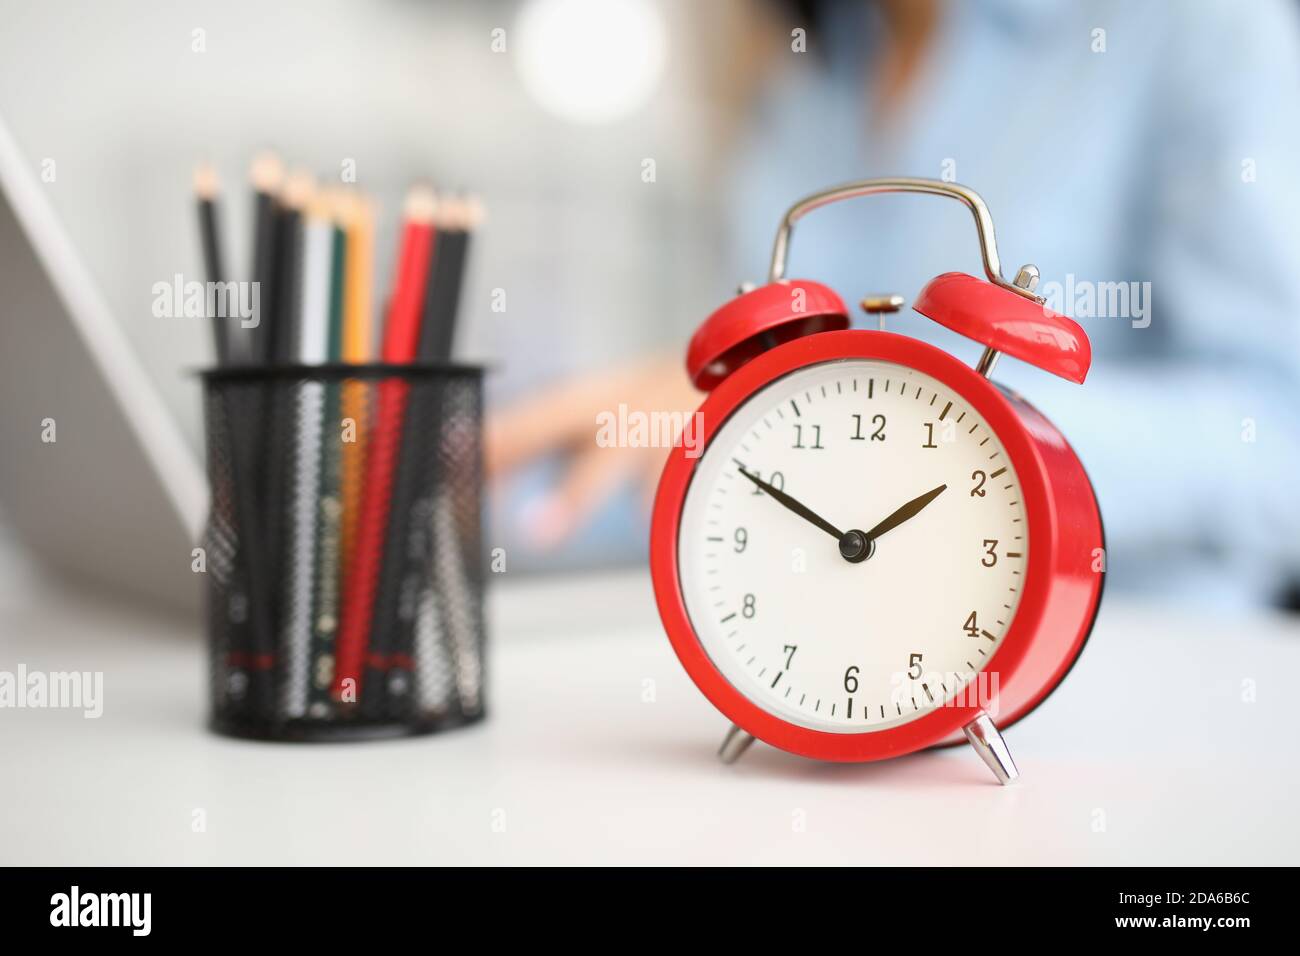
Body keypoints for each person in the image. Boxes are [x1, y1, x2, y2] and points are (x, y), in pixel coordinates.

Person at [488, 0, 1300, 607]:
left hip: (1127, 689)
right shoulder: (809, 70)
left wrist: (907, 421)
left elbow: (1278, 435)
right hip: (820, 636)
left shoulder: (1194, 26)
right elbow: (757, 461)